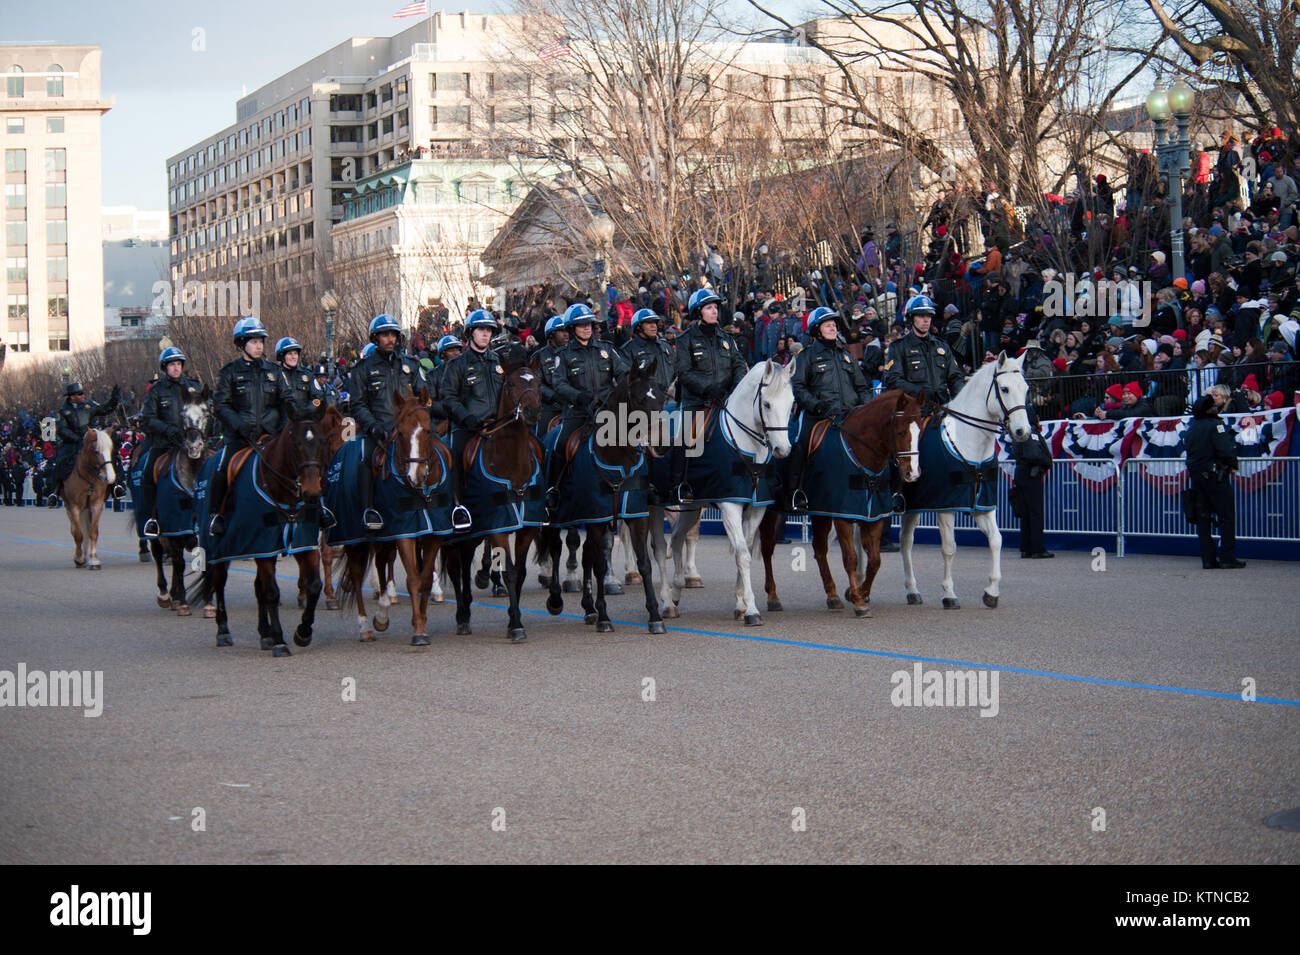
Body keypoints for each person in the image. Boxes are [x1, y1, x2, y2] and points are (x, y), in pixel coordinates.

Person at [208, 317, 299, 537]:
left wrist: (283, 430)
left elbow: (287, 402)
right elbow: (220, 405)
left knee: (302, 463)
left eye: (261, 341)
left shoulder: (274, 372)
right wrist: (240, 426)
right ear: (242, 344)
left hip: (271, 438)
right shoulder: (229, 372)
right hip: (240, 439)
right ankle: (216, 515)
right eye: (253, 341)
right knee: (221, 469)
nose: (259, 346)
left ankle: (312, 511)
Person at [785, 306, 874, 512]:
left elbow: (862, 386)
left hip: (850, 415)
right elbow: (797, 387)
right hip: (819, 416)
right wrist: (816, 405)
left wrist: (866, 408)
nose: (833, 328)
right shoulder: (806, 356)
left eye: (834, 325)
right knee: (799, 443)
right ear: (817, 330)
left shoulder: (846, 355)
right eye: (828, 325)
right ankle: (795, 493)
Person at [348, 314, 428, 531]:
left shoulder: (410, 365)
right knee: (364, 460)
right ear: (376, 338)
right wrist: (373, 427)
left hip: (407, 429)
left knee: (435, 452)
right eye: (385, 334)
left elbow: (423, 395)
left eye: (393, 334)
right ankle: (369, 510)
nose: (390, 338)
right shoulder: (362, 369)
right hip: (379, 430)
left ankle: (440, 507)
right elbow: (357, 404)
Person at [544, 303, 628, 507]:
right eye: (581, 325)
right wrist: (578, 396)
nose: (587, 328)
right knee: (561, 444)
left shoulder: (607, 349)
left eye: (589, 324)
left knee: (636, 439)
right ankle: (553, 489)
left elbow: (623, 373)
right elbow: (558, 383)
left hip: (608, 411)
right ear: (572, 329)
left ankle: (641, 486)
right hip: (578, 413)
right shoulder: (563, 355)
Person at [670, 289, 748, 502]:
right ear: (698, 312)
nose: (714, 311)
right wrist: (707, 389)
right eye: (709, 308)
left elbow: (739, 365)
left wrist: (734, 389)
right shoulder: (685, 339)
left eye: (715, 307)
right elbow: (684, 373)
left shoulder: (727, 338)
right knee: (683, 438)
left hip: (725, 401)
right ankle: (680, 485)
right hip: (696, 402)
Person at [441, 309, 511, 530]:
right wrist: (467, 418)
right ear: (471, 333)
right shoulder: (457, 365)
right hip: (468, 428)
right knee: (455, 458)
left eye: (489, 330)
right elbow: (448, 398)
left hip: (497, 427)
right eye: (481, 329)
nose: (485, 334)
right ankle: (457, 507)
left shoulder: (499, 362)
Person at [138, 346, 201, 538]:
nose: (176, 368)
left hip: (191, 443)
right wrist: (168, 430)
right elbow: (148, 418)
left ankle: (215, 516)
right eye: (172, 365)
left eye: (178, 364)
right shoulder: (157, 390)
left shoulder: (193, 387)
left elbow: (203, 411)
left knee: (212, 471)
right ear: (165, 368)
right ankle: (153, 519)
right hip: (165, 444)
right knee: (147, 476)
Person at [1185, 391, 1245, 569]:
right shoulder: (1216, 425)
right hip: (1215, 476)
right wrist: (1232, 463)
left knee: (1203, 518)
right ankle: (1227, 556)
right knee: (1226, 516)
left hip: (1197, 476)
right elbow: (1225, 450)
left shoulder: (1192, 427)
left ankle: (1208, 558)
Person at [883, 294, 966, 405]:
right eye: (921, 316)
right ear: (912, 318)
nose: (926, 320)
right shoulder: (899, 347)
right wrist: (920, 392)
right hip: (914, 410)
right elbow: (893, 379)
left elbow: (955, 377)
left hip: (942, 407)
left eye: (929, 316)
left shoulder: (942, 346)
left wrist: (962, 400)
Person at [53, 380, 120, 488]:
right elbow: (62, 429)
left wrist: (114, 399)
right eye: (80, 394)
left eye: (83, 392)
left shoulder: (90, 405)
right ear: (72, 396)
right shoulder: (63, 411)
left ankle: (115, 486)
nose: (83, 395)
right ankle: (55, 491)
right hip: (73, 442)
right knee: (60, 461)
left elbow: (105, 409)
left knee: (107, 457)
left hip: (91, 440)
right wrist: (77, 439)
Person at [1012, 407, 1053, 558]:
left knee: (1025, 513)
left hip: (1022, 473)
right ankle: (1037, 548)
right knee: (1035, 513)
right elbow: (1034, 454)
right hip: (1031, 474)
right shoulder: (1031, 433)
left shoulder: (1020, 432)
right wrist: (1047, 461)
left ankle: (1026, 547)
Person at [529, 316, 568, 436]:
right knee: (539, 434)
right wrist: (554, 396)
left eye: (567, 331)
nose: (566, 334)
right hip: (550, 406)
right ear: (551, 335)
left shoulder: (573, 353)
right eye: (561, 331)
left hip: (572, 404)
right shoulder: (539, 357)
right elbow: (536, 383)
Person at [275, 336, 322, 412]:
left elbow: (318, 398)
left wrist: (307, 410)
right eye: (290, 354)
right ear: (282, 356)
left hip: (304, 419)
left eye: (295, 353)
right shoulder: (275, 375)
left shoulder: (307, 375)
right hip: (282, 420)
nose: (293, 357)